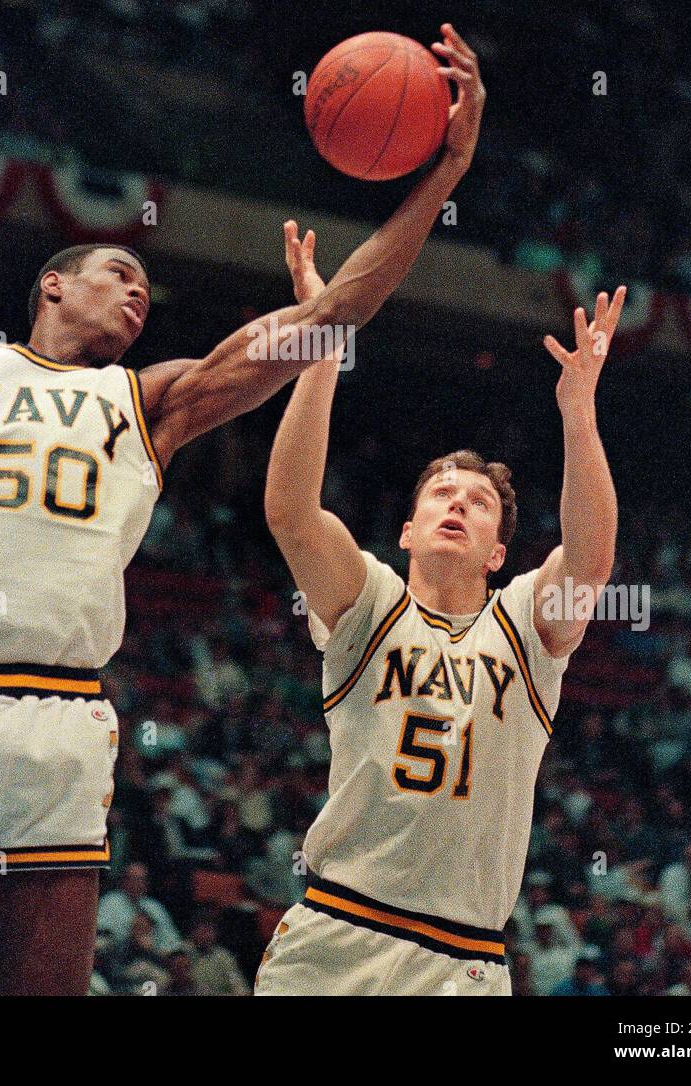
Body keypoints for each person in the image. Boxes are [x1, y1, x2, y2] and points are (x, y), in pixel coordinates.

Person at [0, 18, 487, 995]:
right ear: (52, 285)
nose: (138, 295)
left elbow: (334, 314)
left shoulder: (154, 401)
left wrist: (445, 172)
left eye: (144, 287)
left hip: (65, 719)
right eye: (118, 275)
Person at [255, 224, 624, 995]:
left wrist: (579, 412)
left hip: (463, 958)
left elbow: (590, 561)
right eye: (441, 494)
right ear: (406, 530)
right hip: (337, 931)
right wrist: (322, 347)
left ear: (498, 552)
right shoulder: (369, 603)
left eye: (478, 502)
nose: (457, 503)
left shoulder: (524, 625)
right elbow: (290, 511)